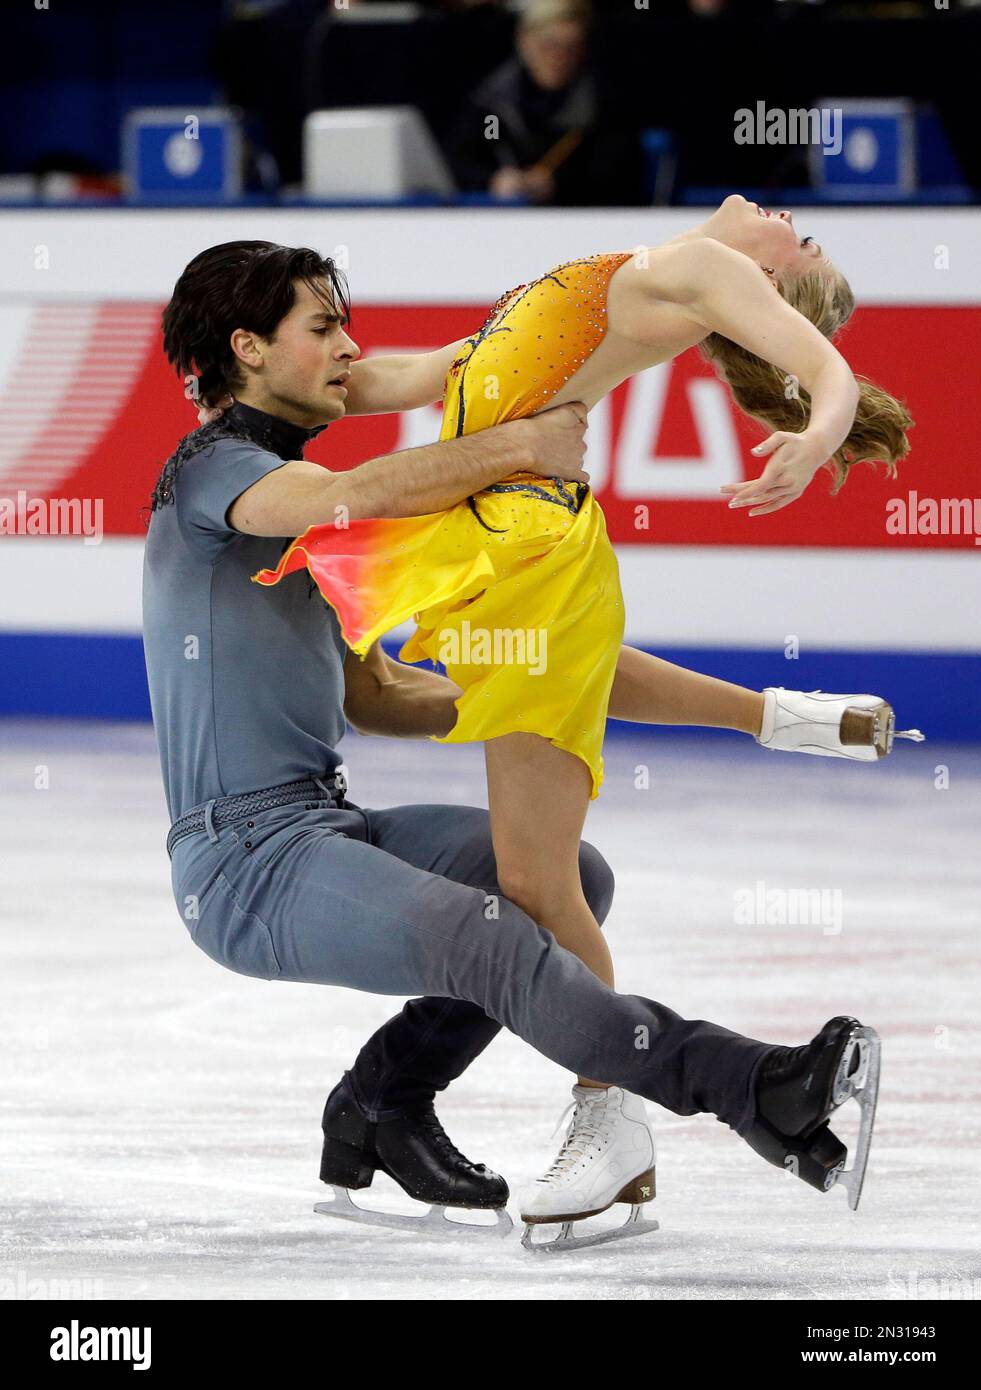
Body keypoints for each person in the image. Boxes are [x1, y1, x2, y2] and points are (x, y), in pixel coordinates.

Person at [249, 195, 913, 1238]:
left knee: (533, 879)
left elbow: (824, 378)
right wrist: (270, 384)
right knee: (548, 721)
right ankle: (780, 717)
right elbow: (411, 376)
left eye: (809, 243)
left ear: (773, 285)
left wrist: (809, 440)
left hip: (525, 547)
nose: (793, 215)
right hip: (498, 532)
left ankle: (609, 1119)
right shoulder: (637, 270)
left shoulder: (709, 277)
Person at [445, 0, 643, 207]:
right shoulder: (494, 102)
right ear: (525, 42)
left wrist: (559, 184)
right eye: (550, 44)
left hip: (582, 219)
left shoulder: (602, 104)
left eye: (571, 47)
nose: (559, 56)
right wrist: (493, 179)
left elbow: (621, 177)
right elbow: (457, 161)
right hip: (503, 220)